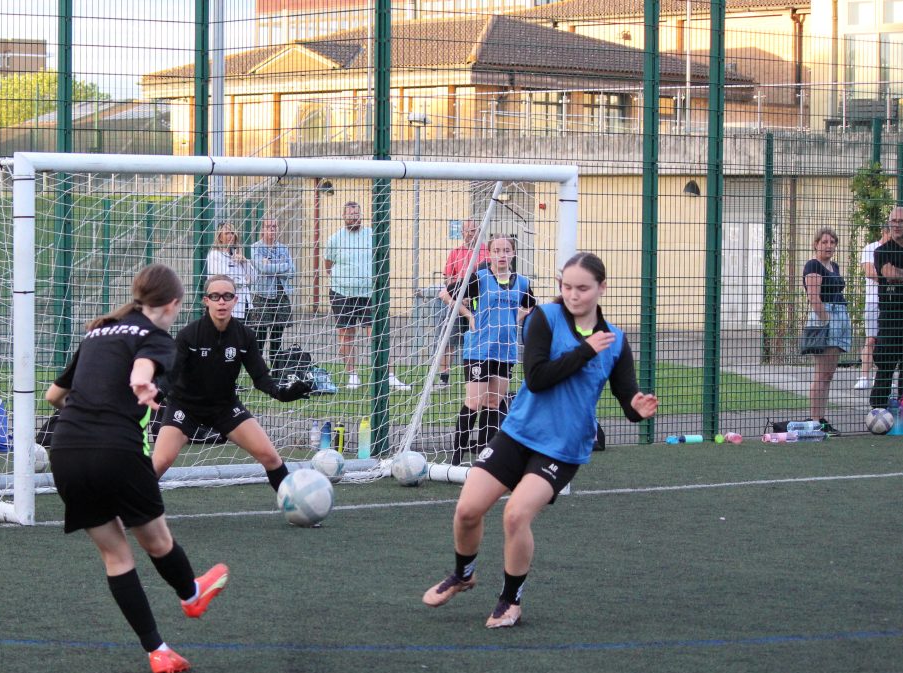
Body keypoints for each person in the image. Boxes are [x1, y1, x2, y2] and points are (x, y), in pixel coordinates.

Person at [421, 252, 658, 628]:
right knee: (467, 510)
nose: (573, 295)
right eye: (567, 287)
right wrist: (584, 350)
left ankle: (510, 600)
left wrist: (636, 407)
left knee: (516, 515)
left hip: (562, 448)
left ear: (602, 289)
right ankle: (464, 574)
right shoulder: (544, 318)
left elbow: (625, 392)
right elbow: (537, 377)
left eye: (582, 288)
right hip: (518, 434)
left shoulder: (614, 341)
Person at [45, 264, 229, 673]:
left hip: (67, 451)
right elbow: (141, 370)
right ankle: (190, 593)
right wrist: (142, 385)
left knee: (115, 553)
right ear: (174, 304)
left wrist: (85, 419)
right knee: (158, 540)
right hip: (116, 450)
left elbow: (54, 394)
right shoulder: (155, 336)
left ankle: (158, 650)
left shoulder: (97, 332)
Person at [152, 274, 311, 490]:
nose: (221, 301)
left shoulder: (244, 335)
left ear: (236, 300)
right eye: (215, 296)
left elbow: (261, 378)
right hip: (185, 407)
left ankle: (296, 504)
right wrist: (157, 393)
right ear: (206, 301)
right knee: (159, 462)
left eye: (227, 296)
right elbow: (170, 375)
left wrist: (282, 394)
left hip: (225, 408)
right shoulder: (189, 335)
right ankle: (127, 510)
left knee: (271, 457)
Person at [450, 235, 535, 465]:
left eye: (506, 250)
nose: (502, 254)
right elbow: (446, 293)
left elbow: (530, 306)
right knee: (474, 402)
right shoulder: (480, 277)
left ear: (513, 253)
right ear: (490, 254)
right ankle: (456, 458)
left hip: (505, 351)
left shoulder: (523, 282)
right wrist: (468, 316)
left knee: (493, 404)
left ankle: (483, 457)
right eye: (497, 250)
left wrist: (514, 318)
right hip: (479, 349)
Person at [323, 200, 409, 391]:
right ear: (343, 216)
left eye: (357, 214)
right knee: (346, 335)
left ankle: (389, 376)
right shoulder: (335, 239)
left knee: (377, 334)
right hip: (342, 292)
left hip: (369, 294)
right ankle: (352, 375)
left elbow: (382, 257)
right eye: (350, 214)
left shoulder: (372, 234)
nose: (354, 217)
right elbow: (328, 265)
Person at [871, 206, 903, 426]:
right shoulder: (882, 251)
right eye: (894, 221)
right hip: (890, 319)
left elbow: (895, 275)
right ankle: (878, 412)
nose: (897, 224)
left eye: (902, 221)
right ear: (889, 224)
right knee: (886, 364)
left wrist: (901, 276)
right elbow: (888, 273)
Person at [800, 227, 849, 436]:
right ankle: (814, 420)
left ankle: (821, 418)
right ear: (816, 244)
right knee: (821, 374)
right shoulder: (813, 265)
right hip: (826, 320)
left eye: (832, 242)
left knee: (828, 374)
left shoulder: (834, 266)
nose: (829, 246)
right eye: (825, 242)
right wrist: (827, 321)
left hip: (840, 318)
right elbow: (814, 298)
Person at [437, 219, 491, 387]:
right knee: (449, 339)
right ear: (462, 233)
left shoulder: (487, 252)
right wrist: (460, 296)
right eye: (467, 231)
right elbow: (448, 278)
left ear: (479, 231)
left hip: (479, 302)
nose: (470, 234)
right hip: (457, 301)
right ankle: (443, 379)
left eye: (473, 230)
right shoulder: (455, 252)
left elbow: (489, 278)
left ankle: (480, 375)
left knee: (479, 339)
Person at [250, 217, 295, 360]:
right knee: (260, 338)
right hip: (262, 297)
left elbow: (293, 271)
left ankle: (276, 374)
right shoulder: (255, 248)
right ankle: (259, 374)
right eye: (268, 226)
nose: (272, 230)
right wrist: (282, 265)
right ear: (262, 229)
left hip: (281, 296)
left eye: (274, 227)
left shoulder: (283, 248)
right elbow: (262, 268)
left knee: (277, 339)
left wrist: (272, 265)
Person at [856, 226, 888, 390]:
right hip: (873, 301)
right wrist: (891, 277)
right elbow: (869, 272)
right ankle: (864, 376)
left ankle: (880, 377)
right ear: (884, 231)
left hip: (890, 302)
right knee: (871, 339)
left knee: (887, 341)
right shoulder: (871, 248)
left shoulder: (895, 251)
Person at [205, 222, 254, 322]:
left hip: (245, 305)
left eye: (232, 232)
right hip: (228, 307)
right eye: (227, 233)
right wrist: (244, 281)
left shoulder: (237, 254)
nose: (230, 236)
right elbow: (225, 280)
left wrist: (244, 261)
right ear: (220, 237)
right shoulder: (214, 255)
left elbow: (254, 278)